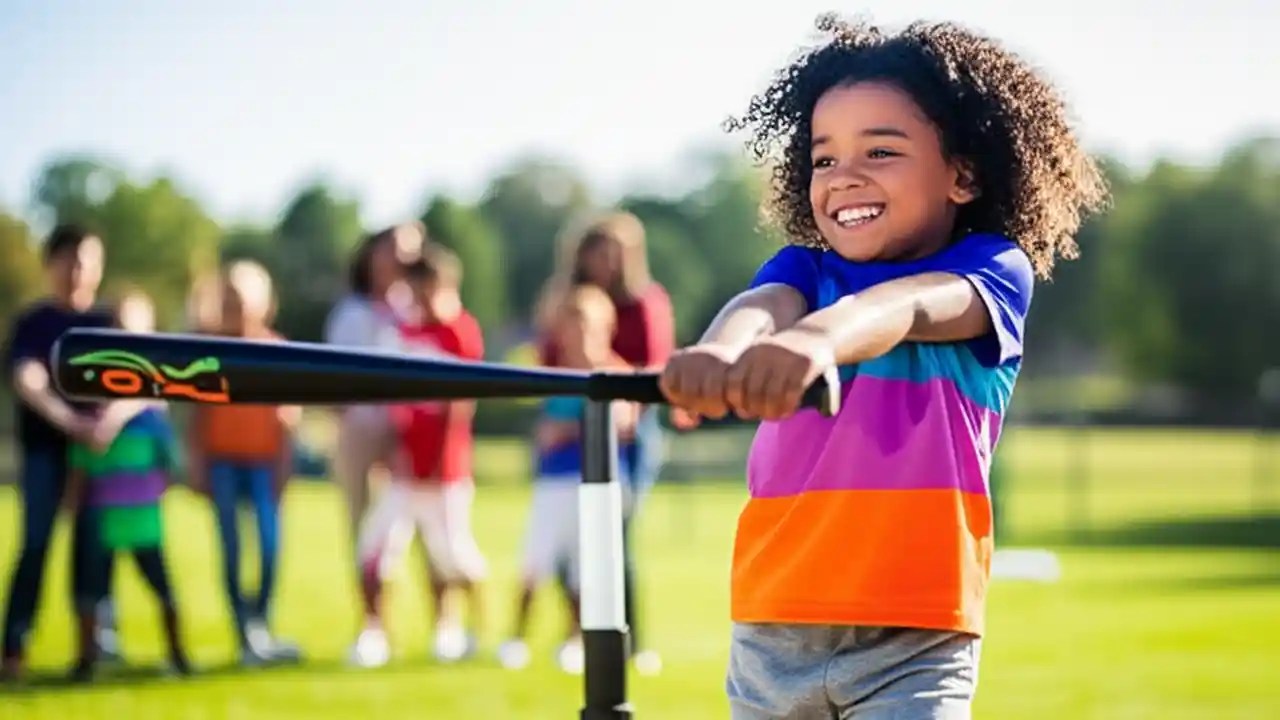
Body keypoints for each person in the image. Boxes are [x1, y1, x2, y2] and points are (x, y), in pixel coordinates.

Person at [657, 14, 1109, 719]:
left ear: (961, 174)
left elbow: (907, 307)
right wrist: (719, 354)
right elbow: (760, 305)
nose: (845, 178)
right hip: (774, 624)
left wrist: (817, 341)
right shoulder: (802, 272)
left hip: (917, 636)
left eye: (882, 151)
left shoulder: (992, 272)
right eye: (824, 158)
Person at [534, 211, 674, 674]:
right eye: (598, 251)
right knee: (563, 536)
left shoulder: (645, 303)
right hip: (568, 426)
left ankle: (631, 638)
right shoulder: (564, 302)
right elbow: (549, 365)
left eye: (615, 253)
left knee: (616, 534)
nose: (606, 262)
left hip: (629, 430)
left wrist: (618, 399)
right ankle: (575, 631)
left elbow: (654, 370)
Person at [1, 224, 142, 681]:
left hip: (100, 456)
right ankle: (14, 651)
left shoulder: (108, 323)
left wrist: (109, 421)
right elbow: (29, 380)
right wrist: (71, 422)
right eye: (69, 259)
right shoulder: (34, 323)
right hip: (46, 451)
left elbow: (144, 382)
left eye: (88, 260)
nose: (78, 270)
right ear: (51, 263)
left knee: (93, 552)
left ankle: (89, 652)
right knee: (37, 545)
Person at [347, 246, 488, 667]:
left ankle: (472, 630)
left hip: (445, 474)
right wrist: (396, 454)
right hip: (405, 471)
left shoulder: (460, 332)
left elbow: (461, 406)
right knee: (374, 551)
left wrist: (437, 465)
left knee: (454, 557)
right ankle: (374, 633)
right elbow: (394, 402)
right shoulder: (403, 335)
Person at [498, 284, 639, 674]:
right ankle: (516, 638)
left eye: (586, 326)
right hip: (555, 482)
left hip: (599, 484)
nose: (578, 336)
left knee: (586, 568)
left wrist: (571, 428)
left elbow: (623, 422)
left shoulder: (615, 372)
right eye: (571, 326)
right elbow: (545, 433)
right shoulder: (558, 376)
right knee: (535, 560)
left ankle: (573, 639)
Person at [63, 289, 192, 681]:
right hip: (102, 517)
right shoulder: (94, 407)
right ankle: (87, 658)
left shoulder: (153, 412)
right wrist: (74, 497)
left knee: (163, 589)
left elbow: (170, 461)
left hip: (142, 517)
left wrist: (161, 484)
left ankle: (177, 654)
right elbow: (82, 460)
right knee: (90, 591)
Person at [187, 260, 302, 667]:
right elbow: (197, 414)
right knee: (232, 549)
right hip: (222, 462)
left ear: (263, 304)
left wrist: (284, 468)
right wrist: (196, 463)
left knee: (270, 548)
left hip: (263, 464)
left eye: (241, 299)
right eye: (228, 298)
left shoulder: (276, 350)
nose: (234, 307)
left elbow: (287, 420)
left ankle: (261, 624)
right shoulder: (210, 351)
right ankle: (243, 634)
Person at [324, 223, 424, 552]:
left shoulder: (417, 309)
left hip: (410, 429)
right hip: (360, 426)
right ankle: (370, 597)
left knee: (418, 516)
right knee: (363, 520)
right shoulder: (352, 312)